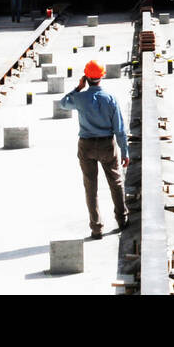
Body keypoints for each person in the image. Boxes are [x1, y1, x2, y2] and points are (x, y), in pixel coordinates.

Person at [60, 60, 130, 238]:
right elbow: (119, 129)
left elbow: (63, 103)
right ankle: (122, 220)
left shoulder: (80, 98)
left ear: (86, 78)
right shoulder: (110, 98)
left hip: (86, 146)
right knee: (116, 182)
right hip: (107, 144)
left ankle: (96, 228)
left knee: (90, 187)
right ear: (102, 76)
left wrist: (77, 88)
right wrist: (125, 151)